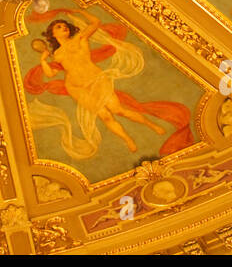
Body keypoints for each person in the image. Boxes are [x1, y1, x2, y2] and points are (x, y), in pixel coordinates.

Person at [23, 9, 193, 157]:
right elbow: (51, 74)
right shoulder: (57, 54)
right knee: (104, 116)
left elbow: (95, 22)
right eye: (58, 27)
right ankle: (127, 139)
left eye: (64, 25)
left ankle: (150, 124)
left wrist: (81, 12)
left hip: (96, 79)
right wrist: (43, 60)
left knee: (119, 110)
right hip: (76, 86)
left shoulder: (80, 38)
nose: (63, 27)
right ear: (52, 33)